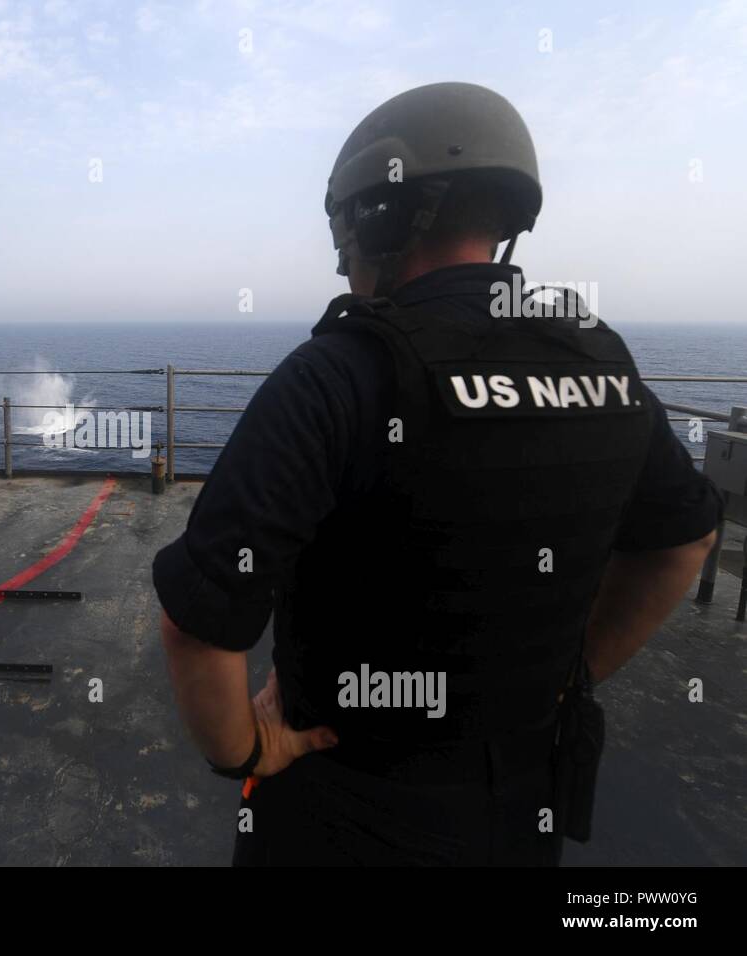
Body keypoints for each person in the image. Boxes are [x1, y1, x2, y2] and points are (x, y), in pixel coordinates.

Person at [152, 82, 721, 866]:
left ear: (378, 218)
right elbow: (685, 541)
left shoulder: (339, 374)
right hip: (522, 810)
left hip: (344, 811)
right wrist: (570, 675)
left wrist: (246, 751)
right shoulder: (600, 362)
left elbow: (196, 624)